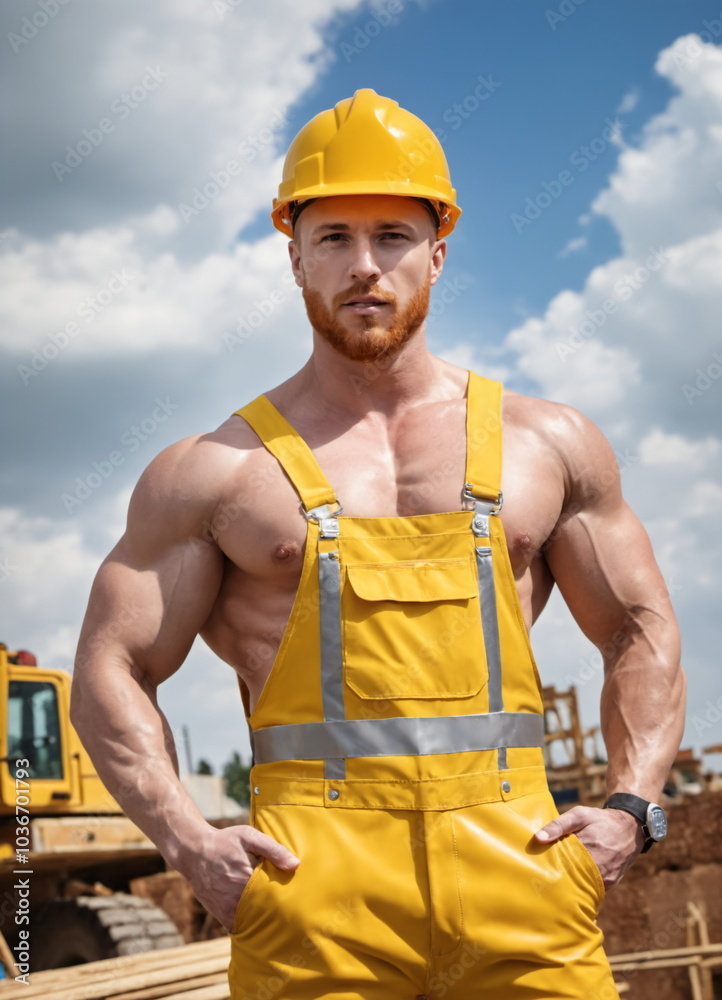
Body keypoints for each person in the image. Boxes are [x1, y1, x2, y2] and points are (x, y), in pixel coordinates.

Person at [71, 89, 685, 999]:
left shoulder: (545, 444)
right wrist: (187, 841)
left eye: (392, 235)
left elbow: (639, 627)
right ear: (295, 259)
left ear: (437, 252)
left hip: (524, 872)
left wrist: (633, 809)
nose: (365, 266)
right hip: (312, 895)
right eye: (333, 239)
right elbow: (110, 667)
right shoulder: (211, 473)